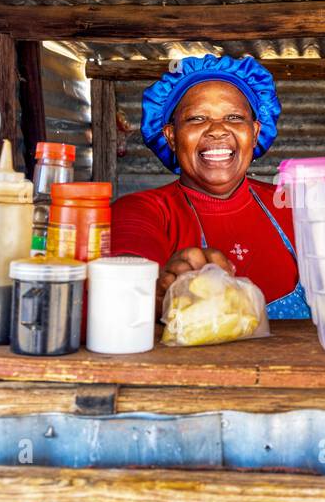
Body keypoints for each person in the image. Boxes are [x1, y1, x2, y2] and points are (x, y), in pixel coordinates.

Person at [109, 54, 311, 319]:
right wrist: (161, 289)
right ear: (171, 136)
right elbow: (126, 274)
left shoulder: (297, 206)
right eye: (197, 119)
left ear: (255, 132)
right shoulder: (141, 210)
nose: (217, 130)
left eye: (234, 117)